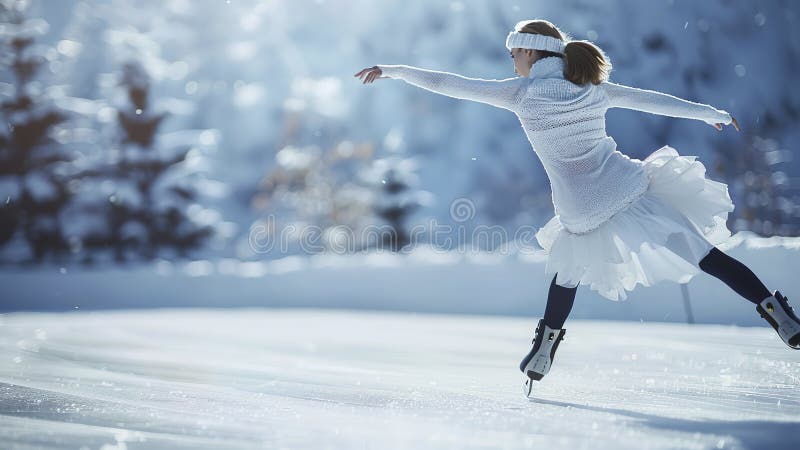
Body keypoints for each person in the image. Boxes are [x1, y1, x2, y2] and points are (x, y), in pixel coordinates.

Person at [355, 19, 800, 396]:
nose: (512, 63)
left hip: (579, 209)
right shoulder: (592, 88)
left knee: (565, 274)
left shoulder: (519, 94)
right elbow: (653, 99)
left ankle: (546, 344)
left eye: (515, 54)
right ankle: (775, 311)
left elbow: (447, 84)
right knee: (707, 256)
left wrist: (392, 70)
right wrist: (710, 113)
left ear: (530, 53)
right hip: (629, 189)